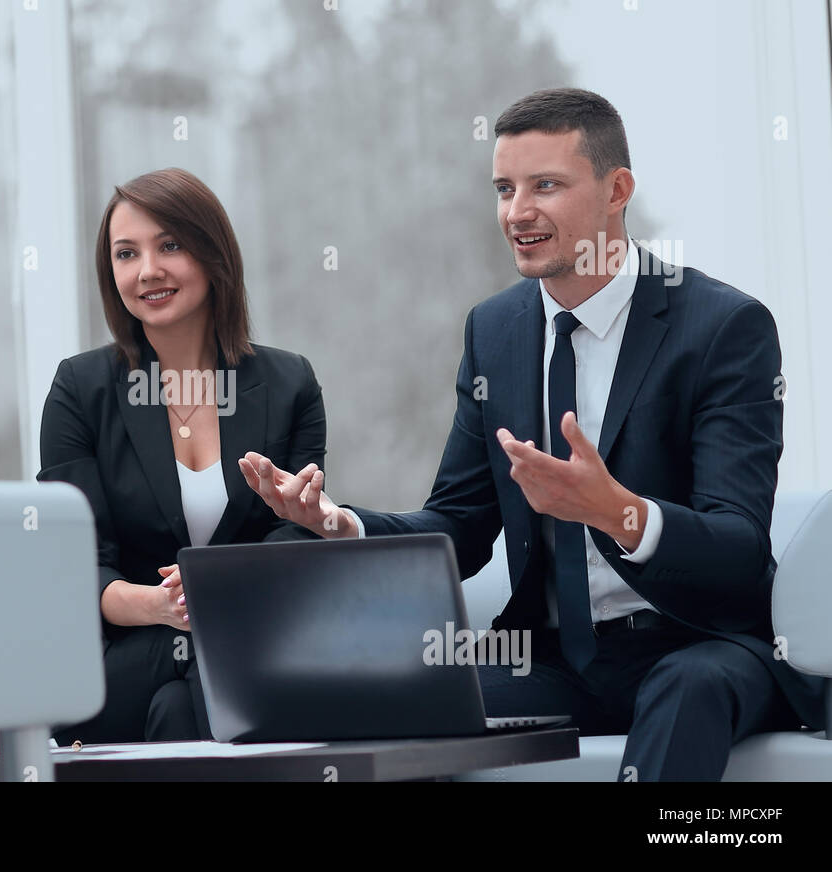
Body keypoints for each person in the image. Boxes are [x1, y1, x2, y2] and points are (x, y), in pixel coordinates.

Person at [238, 88, 824, 781]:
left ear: (617, 190)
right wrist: (341, 526)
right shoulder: (496, 331)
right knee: (383, 694)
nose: (518, 212)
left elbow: (736, 546)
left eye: (545, 185)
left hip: (703, 642)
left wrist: (616, 511)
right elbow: (459, 525)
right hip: (558, 656)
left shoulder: (724, 328)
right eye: (505, 189)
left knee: (686, 689)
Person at [37, 167, 326, 744]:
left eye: (169, 245)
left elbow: (298, 533)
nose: (147, 271)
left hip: (251, 640)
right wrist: (162, 606)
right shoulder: (80, 389)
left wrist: (217, 592)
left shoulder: (288, 381)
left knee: (178, 708)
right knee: (191, 681)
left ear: (213, 253)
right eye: (126, 253)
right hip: (127, 657)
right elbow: (74, 563)